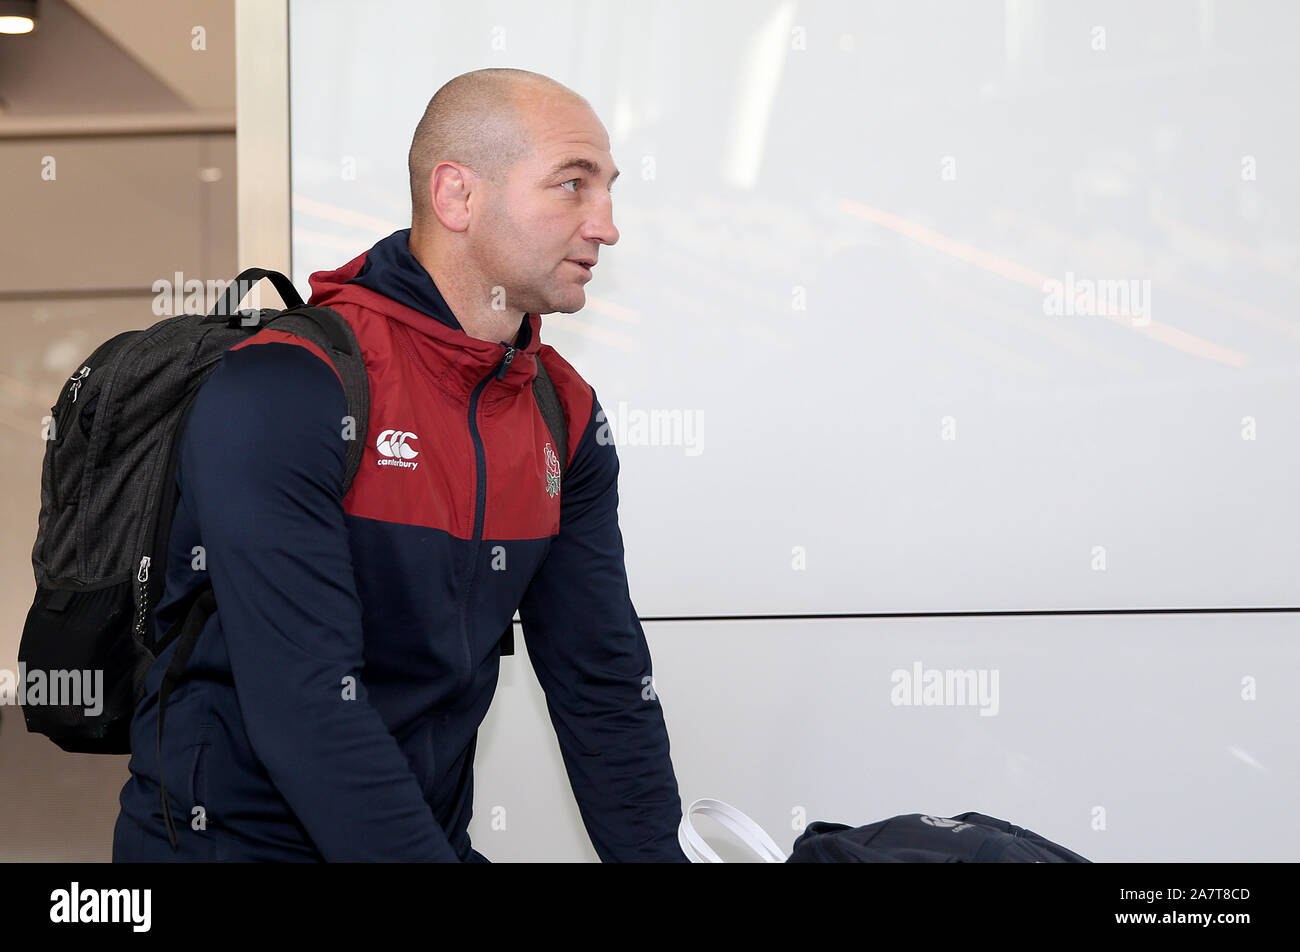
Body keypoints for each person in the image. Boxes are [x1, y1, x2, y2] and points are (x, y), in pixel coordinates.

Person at [112, 68, 688, 862]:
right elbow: (308, 709)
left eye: (608, 191)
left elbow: (601, 684)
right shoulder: (290, 386)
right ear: (457, 196)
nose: (607, 226)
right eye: (572, 186)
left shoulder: (565, 413)